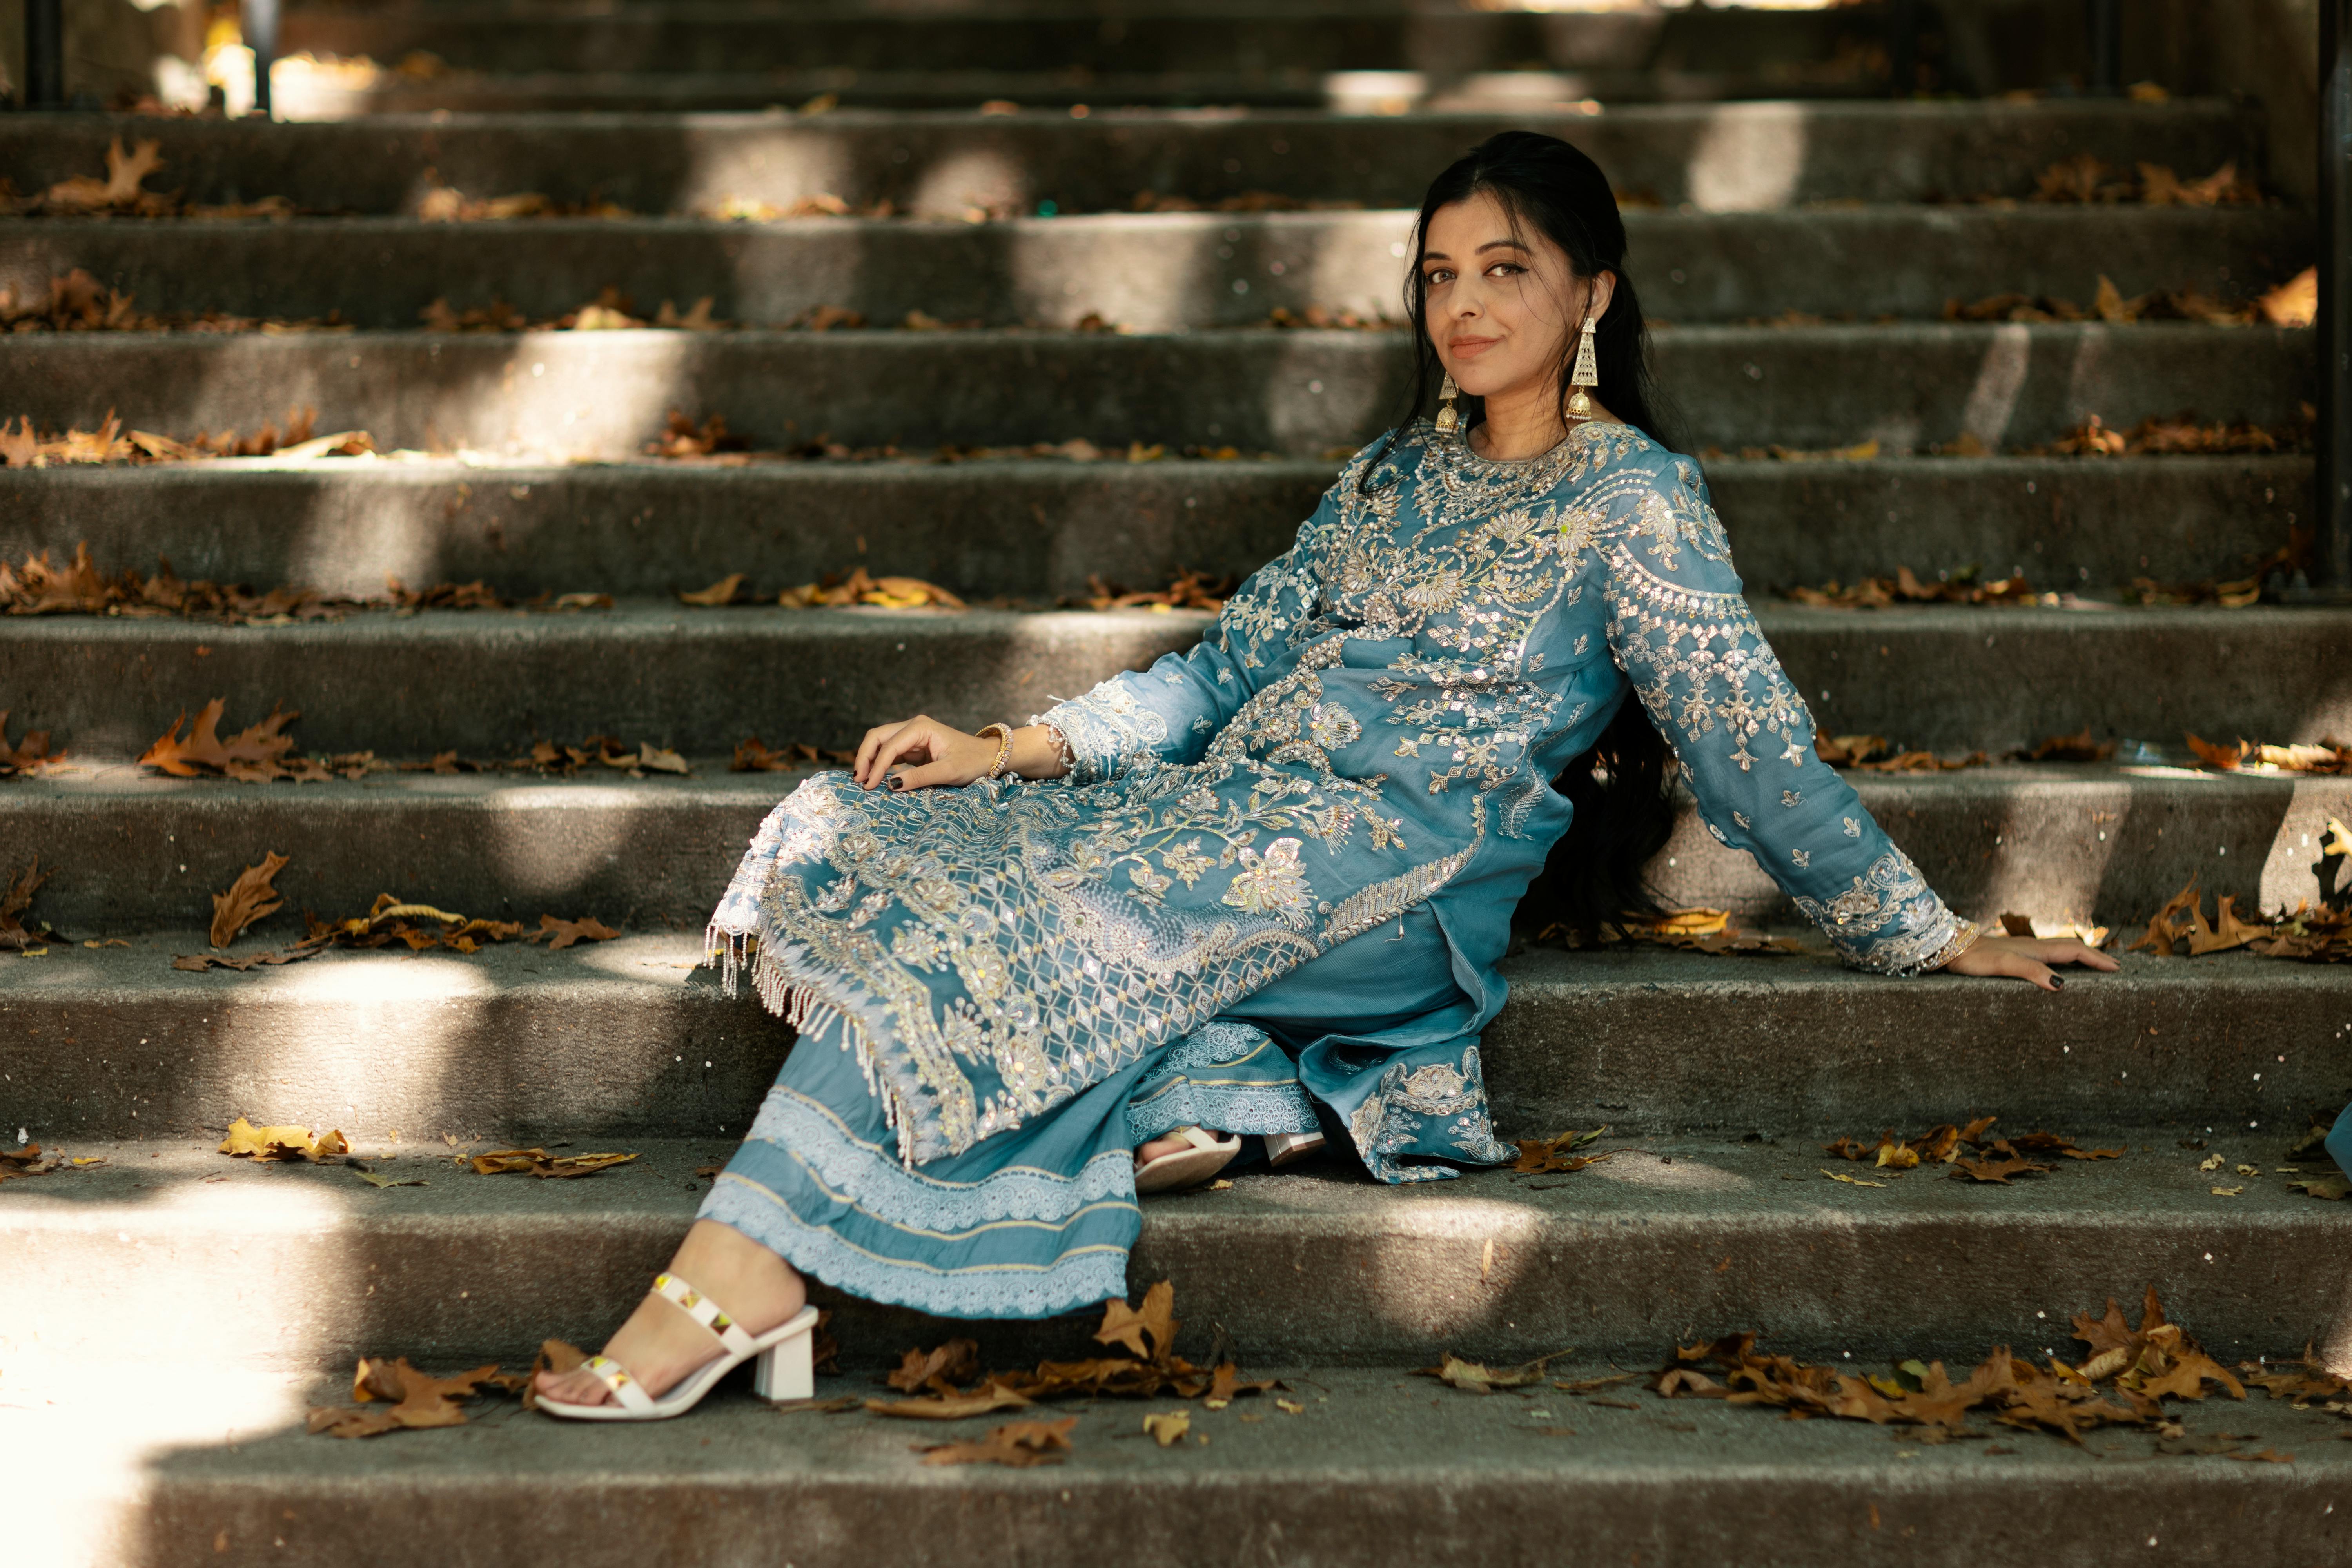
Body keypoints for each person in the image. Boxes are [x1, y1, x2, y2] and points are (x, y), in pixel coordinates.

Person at [535, 130, 2116, 1419]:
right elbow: (1227, 671)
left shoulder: (1635, 500)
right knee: (918, 839)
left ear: (1594, 292)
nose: (1463, 304)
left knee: (1042, 911)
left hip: (1399, 868)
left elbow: (1753, 743)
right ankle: (1217, 1083)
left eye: (1507, 268)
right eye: (1440, 273)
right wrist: (1009, 745)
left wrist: (1926, 931)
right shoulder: (1389, 479)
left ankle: (728, 1288)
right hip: (1243, 816)